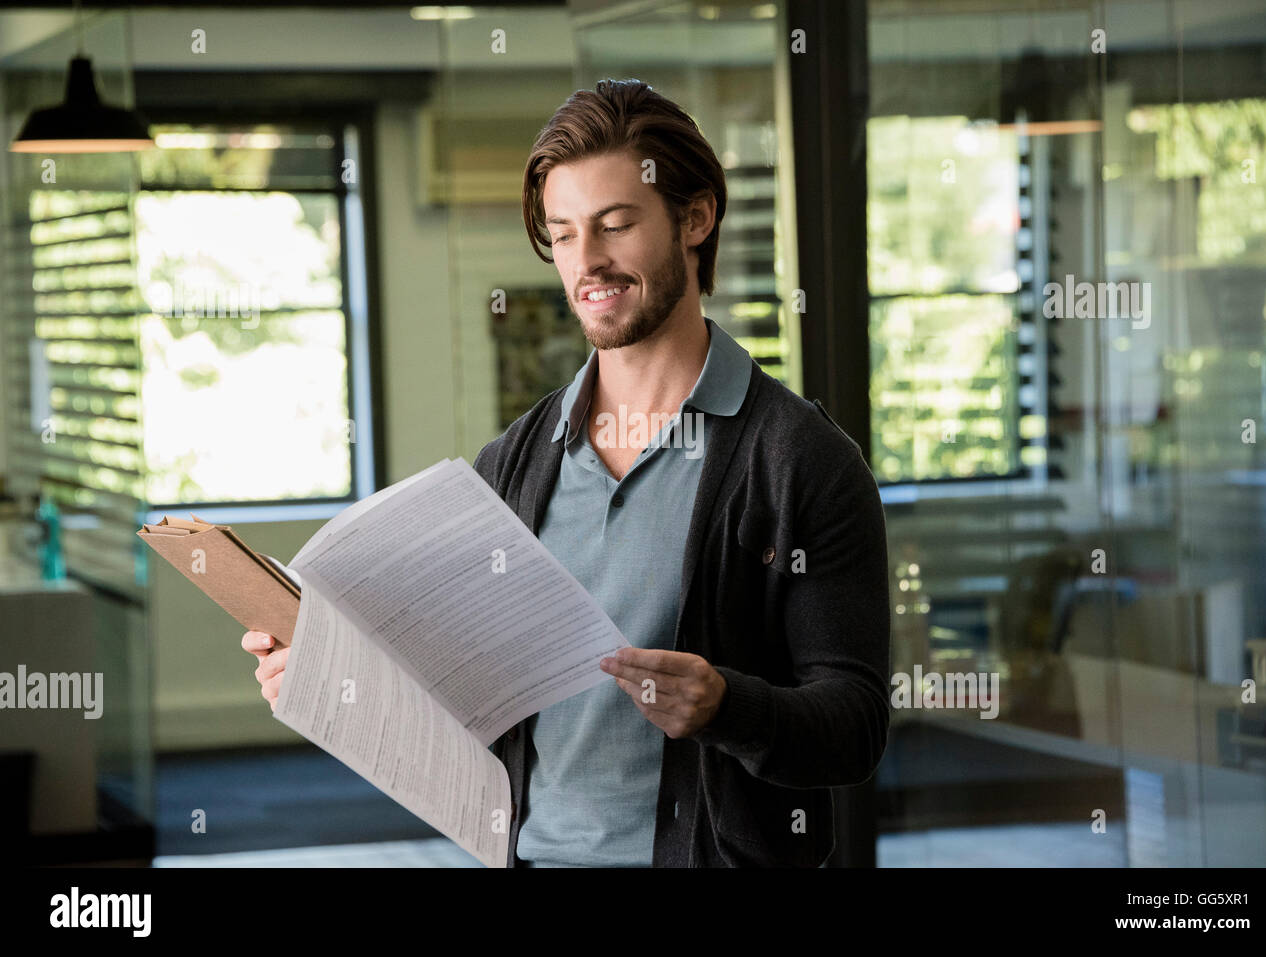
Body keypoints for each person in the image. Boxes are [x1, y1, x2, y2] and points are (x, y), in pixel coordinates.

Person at [245, 77, 891, 867]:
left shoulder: (799, 462)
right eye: (563, 233)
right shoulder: (516, 465)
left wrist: (727, 704)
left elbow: (854, 725)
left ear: (696, 218)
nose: (587, 261)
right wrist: (323, 680)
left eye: (616, 225)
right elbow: (458, 692)